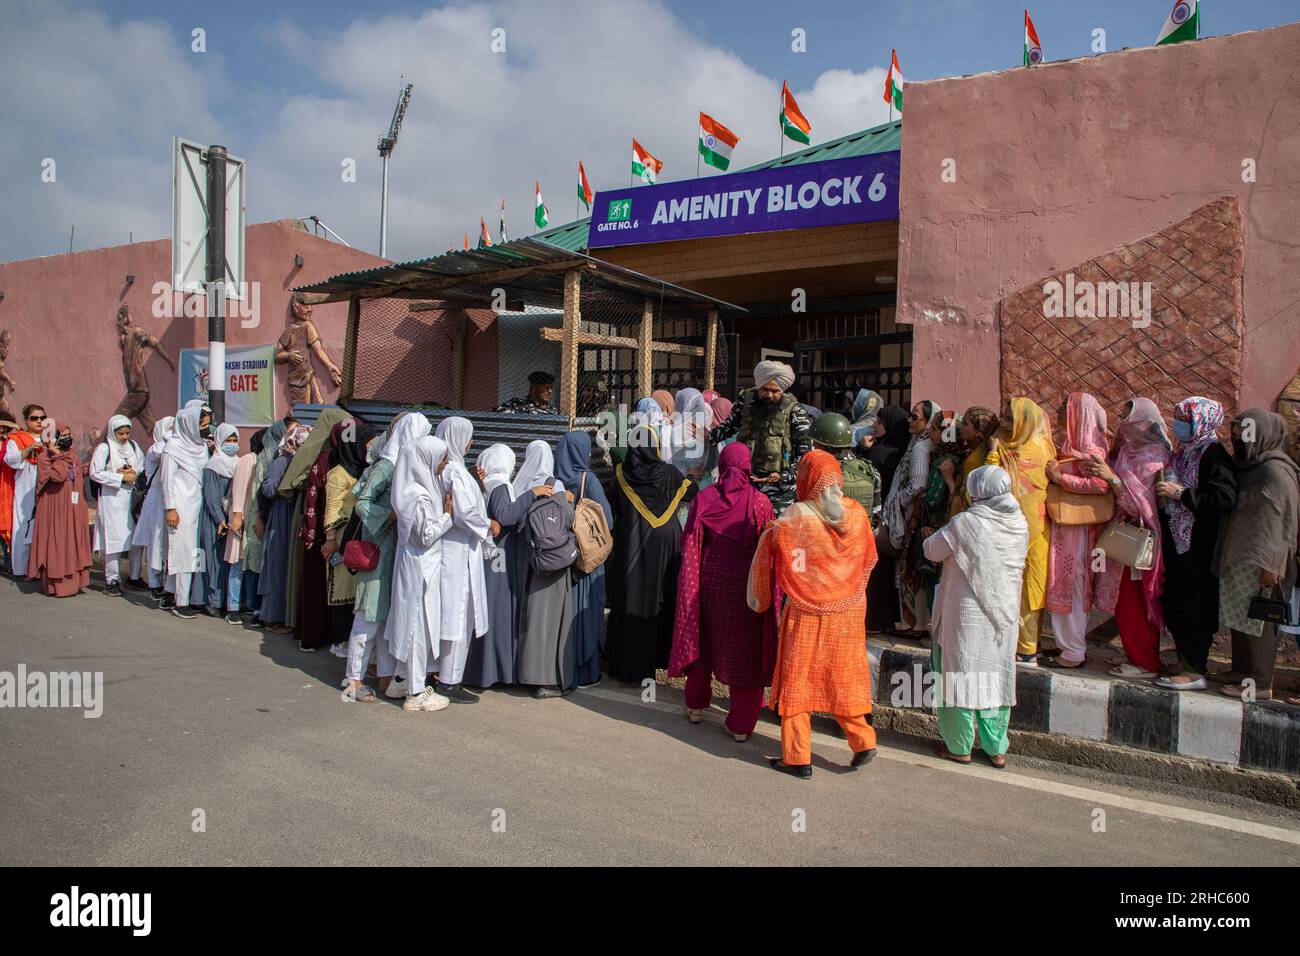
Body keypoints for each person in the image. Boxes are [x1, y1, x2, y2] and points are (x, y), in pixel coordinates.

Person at [749, 450, 878, 778]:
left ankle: (797, 758)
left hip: (805, 613)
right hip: (847, 613)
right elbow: (869, 559)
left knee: (797, 681)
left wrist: (770, 533)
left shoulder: (794, 518)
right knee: (842, 678)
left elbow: (772, 554)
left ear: (807, 480)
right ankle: (863, 741)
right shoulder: (857, 514)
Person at [669, 443, 777, 741]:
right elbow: (769, 550)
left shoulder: (704, 499)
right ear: (746, 466)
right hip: (747, 592)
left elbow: (690, 544)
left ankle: (694, 706)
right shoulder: (759, 503)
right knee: (745, 655)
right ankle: (741, 726)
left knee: (704, 644)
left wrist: (690, 588)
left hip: (710, 585)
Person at [922, 465, 1029, 767]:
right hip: (1003, 614)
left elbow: (932, 551)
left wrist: (937, 533)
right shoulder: (1019, 521)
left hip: (966, 613)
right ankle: (996, 748)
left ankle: (959, 746)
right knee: (996, 674)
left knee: (960, 673)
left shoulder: (966, 523)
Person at [1209, 409, 1299, 702]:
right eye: (1236, 435)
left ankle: (1260, 681)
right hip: (1240, 554)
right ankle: (1242, 671)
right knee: (1240, 616)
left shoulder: (1275, 471)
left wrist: (1272, 564)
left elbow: (1281, 522)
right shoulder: (1249, 467)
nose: (1239, 441)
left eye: (1245, 435)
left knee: (1259, 619)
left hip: (1262, 560)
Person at [343, 412, 430, 702]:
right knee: (369, 616)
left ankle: (384, 676)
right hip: (378, 548)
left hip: (396, 551)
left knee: (388, 618)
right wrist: (389, 515)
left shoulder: (407, 467)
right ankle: (353, 679)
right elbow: (362, 503)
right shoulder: (387, 466)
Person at [1082, 398, 1172, 679]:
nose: (1122, 422)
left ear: (1143, 423)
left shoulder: (1154, 457)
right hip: (1123, 538)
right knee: (1126, 602)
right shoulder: (1128, 452)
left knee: (1136, 603)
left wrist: (1113, 479)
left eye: (1127, 417)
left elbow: (1139, 505)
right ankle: (1136, 654)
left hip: (1139, 539)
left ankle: (1145, 663)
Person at [1153, 398, 1237, 690]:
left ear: (1201, 422)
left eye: (1185, 420)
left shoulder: (1213, 455)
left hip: (1199, 548)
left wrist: (1183, 495)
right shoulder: (1185, 452)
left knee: (1195, 607)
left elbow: (1223, 498)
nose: (1180, 426)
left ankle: (1196, 670)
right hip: (1178, 544)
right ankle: (1185, 660)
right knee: (1175, 602)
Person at [606, 423, 699, 684]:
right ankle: (661, 658)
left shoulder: (621, 473)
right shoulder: (668, 473)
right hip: (666, 545)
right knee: (662, 597)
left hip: (634, 541)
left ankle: (630, 667)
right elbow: (692, 493)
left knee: (634, 597)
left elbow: (616, 506)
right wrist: (690, 476)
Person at [1042, 393, 1111, 669]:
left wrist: (1060, 479)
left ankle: (1073, 651)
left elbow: (1101, 485)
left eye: (1065, 407)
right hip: (1066, 526)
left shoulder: (1092, 450)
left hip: (1079, 530)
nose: (1059, 411)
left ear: (1078, 415)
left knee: (1074, 584)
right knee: (1063, 581)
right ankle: (1067, 646)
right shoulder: (1072, 446)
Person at [388, 434, 455, 713]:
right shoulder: (418, 496)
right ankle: (416, 693)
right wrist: (448, 515)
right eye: (442, 458)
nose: (446, 463)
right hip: (420, 571)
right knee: (417, 629)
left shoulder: (415, 488)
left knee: (411, 625)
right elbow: (425, 535)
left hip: (416, 567)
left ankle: (401, 680)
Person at [986, 397, 1056, 664]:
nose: (1003, 422)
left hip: (1013, 529)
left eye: (1009, 418)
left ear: (1023, 423)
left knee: (1018, 589)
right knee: (1030, 589)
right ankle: (1030, 646)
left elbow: (989, 484)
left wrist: (993, 452)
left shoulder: (1009, 451)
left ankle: (1022, 648)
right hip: (1038, 528)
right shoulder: (1046, 447)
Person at [513, 438, 579, 698]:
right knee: (553, 622)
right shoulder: (556, 486)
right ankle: (549, 681)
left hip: (528, 564)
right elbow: (569, 518)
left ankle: (525, 674)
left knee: (531, 619)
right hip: (555, 564)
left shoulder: (521, 485)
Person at [433, 417, 491, 703]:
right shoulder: (453, 471)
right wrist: (488, 526)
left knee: (451, 614)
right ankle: (449, 680)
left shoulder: (447, 470)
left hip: (455, 550)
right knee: (457, 616)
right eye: (468, 437)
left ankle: (443, 675)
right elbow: (465, 511)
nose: (471, 442)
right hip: (457, 553)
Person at [708, 360, 812, 514]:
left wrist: (783, 476)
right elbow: (729, 427)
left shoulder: (795, 412)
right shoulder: (746, 402)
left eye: (775, 391)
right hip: (745, 485)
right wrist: (707, 436)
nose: (769, 395)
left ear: (782, 390)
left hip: (779, 492)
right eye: (764, 389)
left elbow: (805, 455)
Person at [553, 431, 613, 689]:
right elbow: (607, 521)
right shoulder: (590, 481)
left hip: (564, 559)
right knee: (587, 616)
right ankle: (587, 672)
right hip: (588, 561)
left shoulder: (553, 481)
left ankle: (563, 670)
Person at [463, 442, 524, 690]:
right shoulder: (499, 485)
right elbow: (506, 516)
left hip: (491, 558)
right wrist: (531, 496)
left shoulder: (488, 483)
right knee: (496, 612)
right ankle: (492, 671)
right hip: (498, 561)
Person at [881, 399, 940, 635]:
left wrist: (898, 502)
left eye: (915, 417)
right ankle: (916, 623)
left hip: (910, 516)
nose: (909, 420)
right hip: (915, 516)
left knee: (908, 567)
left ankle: (914, 624)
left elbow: (917, 485)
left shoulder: (919, 448)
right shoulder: (920, 443)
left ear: (927, 422)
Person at [27, 421, 92, 597]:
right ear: (51, 437)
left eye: (68, 435)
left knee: (73, 540)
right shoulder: (44, 458)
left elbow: (77, 477)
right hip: (55, 507)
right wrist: (55, 456)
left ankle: (75, 582)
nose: (67, 439)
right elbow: (58, 476)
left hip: (73, 506)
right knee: (58, 540)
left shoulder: (73, 454)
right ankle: (56, 585)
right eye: (63, 435)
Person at [257, 423, 310, 632]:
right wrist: (287, 487)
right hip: (280, 517)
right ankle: (272, 617)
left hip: (292, 516)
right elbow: (267, 488)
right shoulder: (283, 460)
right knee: (278, 566)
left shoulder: (300, 462)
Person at [160, 404, 211, 618]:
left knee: (191, 553)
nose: (206, 430)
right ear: (190, 425)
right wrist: (170, 508)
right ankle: (181, 603)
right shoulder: (173, 448)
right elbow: (166, 480)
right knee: (183, 553)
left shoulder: (201, 447)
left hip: (197, 507)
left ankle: (170, 593)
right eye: (202, 425)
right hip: (180, 508)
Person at [864, 404, 909, 632]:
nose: (874, 425)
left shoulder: (879, 453)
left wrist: (864, 450)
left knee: (877, 570)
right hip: (898, 519)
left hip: (879, 517)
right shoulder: (905, 449)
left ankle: (875, 619)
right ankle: (890, 618)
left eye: (879, 422)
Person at [89, 414, 143, 596]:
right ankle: (112, 580)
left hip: (132, 500)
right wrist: (119, 476)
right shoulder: (104, 449)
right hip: (112, 501)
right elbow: (95, 472)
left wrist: (133, 472)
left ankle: (134, 576)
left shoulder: (134, 447)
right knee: (113, 541)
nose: (125, 437)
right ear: (113, 432)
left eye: (127, 433)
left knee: (135, 538)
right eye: (121, 433)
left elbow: (142, 468)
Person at [194, 423, 240, 614]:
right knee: (213, 561)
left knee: (227, 561)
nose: (231, 444)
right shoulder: (213, 465)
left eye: (234, 440)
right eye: (227, 440)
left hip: (229, 520)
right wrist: (220, 519)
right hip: (215, 520)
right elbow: (211, 497)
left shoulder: (238, 462)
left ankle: (225, 600)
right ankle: (212, 601)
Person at [131, 415, 175, 600]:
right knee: (155, 542)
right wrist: (171, 438)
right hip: (156, 498)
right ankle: (154, 582)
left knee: (168, 541)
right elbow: (163, 453)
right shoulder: (155, 449)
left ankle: (167, 581)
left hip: (171, 496)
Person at [810, 412, 880, 523]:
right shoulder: (869, 470)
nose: (813, 447)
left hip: (827, 537)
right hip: (861, 537)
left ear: (823, 446)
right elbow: (876, 512)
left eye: (815, 444)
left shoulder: (815, 471)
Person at [4, 404, 45, 578]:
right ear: (26, 420)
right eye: (34, 418)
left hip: (47, 487)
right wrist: (27, 450)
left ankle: (41, 567)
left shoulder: (49, 438)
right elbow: (10, 460)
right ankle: (21, 568)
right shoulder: (17, 439)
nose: (39, 421)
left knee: (44, 527)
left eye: (42, 418)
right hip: (25, 487)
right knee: (24, 525)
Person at [221, 434, 258, 625]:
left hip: (252, 520)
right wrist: (237, 515)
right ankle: (232, 607)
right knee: (237, 565)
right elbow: (239, 489)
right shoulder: (248, 460)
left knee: (251, 566)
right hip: (242, 518)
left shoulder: (263, 460)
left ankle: (250, 605)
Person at [948, 406, 1000, 517]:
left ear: (979, 430)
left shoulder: (978, 458)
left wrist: (949, 481)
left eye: (965, 424)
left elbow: (970, 494)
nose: (960, 427)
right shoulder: (974, 450)